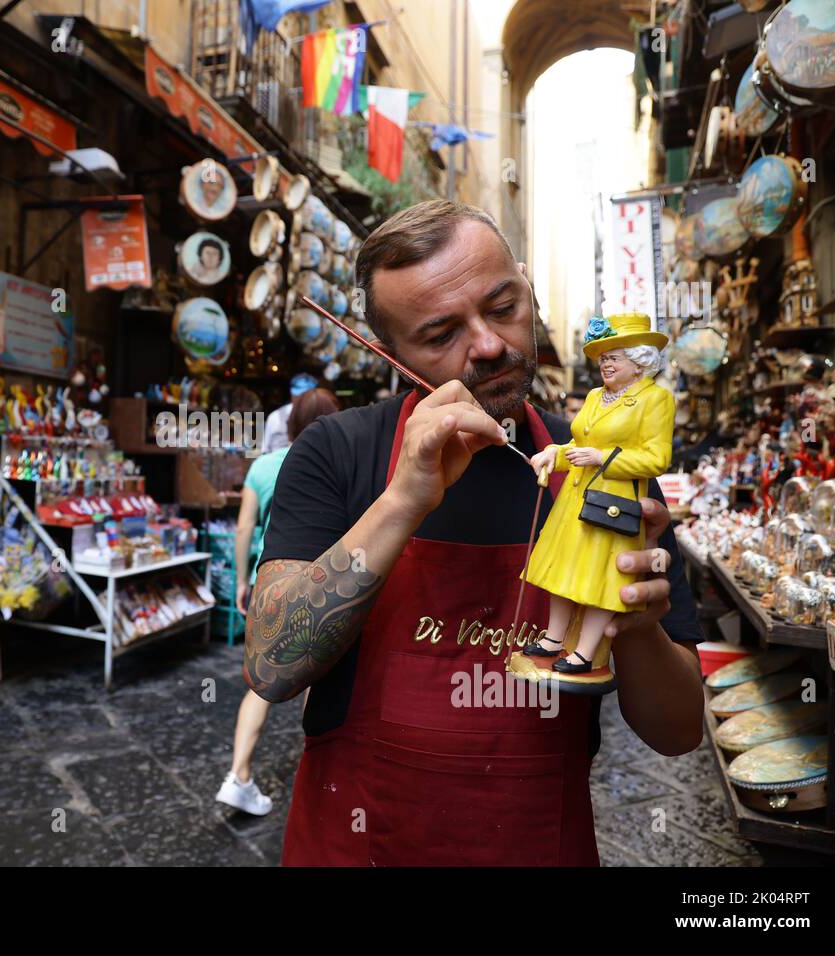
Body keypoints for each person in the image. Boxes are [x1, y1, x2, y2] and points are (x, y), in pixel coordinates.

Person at [245, 199, 705, 866]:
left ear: (527, 286)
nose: (489, 344)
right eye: (441, 335)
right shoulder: (337, 453)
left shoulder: (604, 472)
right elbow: (271, 665)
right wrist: (402, 502)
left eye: (502, 305)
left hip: (536, 842)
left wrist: (633, 627)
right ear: (389, 353)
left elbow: (678, 731)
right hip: (359, 842)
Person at [523, 318, 675, 675]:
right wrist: (554, 454)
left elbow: (657, 459)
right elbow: (580, 444)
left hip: (613, 504)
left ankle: (586, 652)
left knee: (599, 577)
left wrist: (603, 459)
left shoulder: (655, 399)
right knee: (561, 571)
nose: (606, 364)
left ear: (640, 361)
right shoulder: (594, 396)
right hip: (574, 499)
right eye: (603, 357)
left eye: (615, 357)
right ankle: (553, 638)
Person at [217, 388, 341, 816]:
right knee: (316, 680)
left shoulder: (264, 466)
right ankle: (315, 772)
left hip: (269, 581)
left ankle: (239, 774)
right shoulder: (339, 461)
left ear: (289, 424)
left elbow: (243, 529)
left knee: (262, 681)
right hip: (325, 584)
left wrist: (240, 582)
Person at [259, 373, 316, 454]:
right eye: (299, 395)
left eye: (305, 396)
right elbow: (264, 450)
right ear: (292, 393)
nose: (302, 400)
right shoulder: (275, 417)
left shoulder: (320, 415)